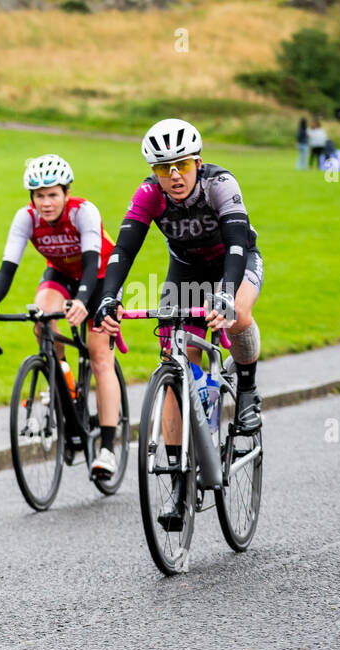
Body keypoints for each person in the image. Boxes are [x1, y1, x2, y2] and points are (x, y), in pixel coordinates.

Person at [95, 119, 264, 530]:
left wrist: (225, 292)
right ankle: (176, 487)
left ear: (197, 162)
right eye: (162, 168)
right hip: (185, 271)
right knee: (178, 365)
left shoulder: (220, 184)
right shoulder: (149, 195)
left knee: (239, 315)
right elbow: (123, 250)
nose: (173, 176)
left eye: (182, 165)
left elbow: (238, 243)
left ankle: (247, 388)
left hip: (233, 264)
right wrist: (108, 297)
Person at [0, 154, 120, 479]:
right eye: (39, 196)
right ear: (31, 198)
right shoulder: (26, 218)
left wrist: (82, 301)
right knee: (42, 319)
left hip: (100, 276)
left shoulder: (84, 211)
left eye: (53, 194)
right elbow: (8, 267)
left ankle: (107, 448)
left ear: (66, 193)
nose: (46, 202)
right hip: (62, 273)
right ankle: (63, 382)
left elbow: (93, 263)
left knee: (99, 356)